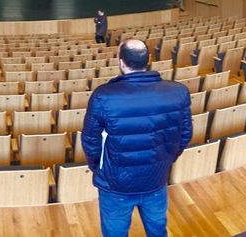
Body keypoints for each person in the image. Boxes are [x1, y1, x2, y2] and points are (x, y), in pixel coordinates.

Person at [81, 40, 191, 237]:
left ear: (121, 62)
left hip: (115, 184)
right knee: (158, 230)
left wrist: (99, 167)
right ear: (147, 60)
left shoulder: (103, 96)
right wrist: (165, 160)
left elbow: (90, 140)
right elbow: (185, 135)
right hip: (156, 178)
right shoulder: (178, 91)